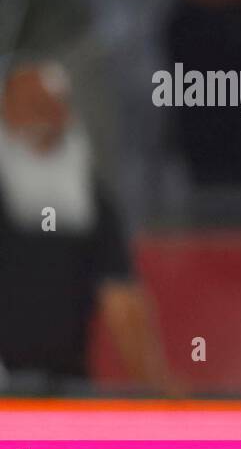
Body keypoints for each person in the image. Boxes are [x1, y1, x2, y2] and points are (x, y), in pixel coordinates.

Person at [0, 63, 173, 394]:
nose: (42, 119)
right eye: (30, 106)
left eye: (50, 107)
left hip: (67, 383)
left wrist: (157, 389)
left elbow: (121, 299)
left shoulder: (93, 203)